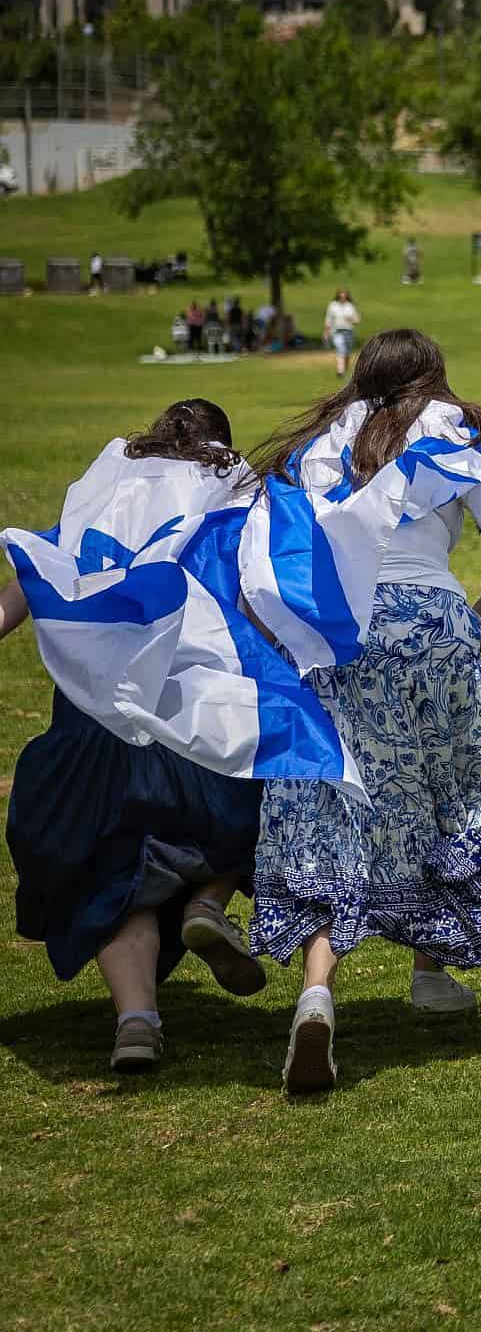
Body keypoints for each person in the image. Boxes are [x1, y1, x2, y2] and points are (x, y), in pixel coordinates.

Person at [248, 331, 481, 1094]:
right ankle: (430, 971)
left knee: (335, 802)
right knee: (446, 791)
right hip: (436, 620)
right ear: (432, 373)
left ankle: (318, 990)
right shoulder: (452, 425)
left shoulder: (323, 441)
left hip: (341, 630)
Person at [1, 401, 272, 1073]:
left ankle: (138, 1020)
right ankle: (209, 902)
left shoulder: (102, 503)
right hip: (194, 722)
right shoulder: (230, 503)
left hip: (97, 733)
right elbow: (267, 596)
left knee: (112, 873)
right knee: (266, 804)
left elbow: (29, 584)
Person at [322, 289, 360, 380]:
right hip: (337, 331)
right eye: (341, 296)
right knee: (340, 349)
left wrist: (351, 319)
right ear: (338, 296)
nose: (342, 298)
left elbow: (357, 320)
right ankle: (340, 371)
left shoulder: (350, 306)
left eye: (344, 296)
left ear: (347, 297)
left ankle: (345, 370)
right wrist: (326, 332)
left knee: (346, 352)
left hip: (348, 331)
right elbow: (328, 319)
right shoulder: (333, 306)